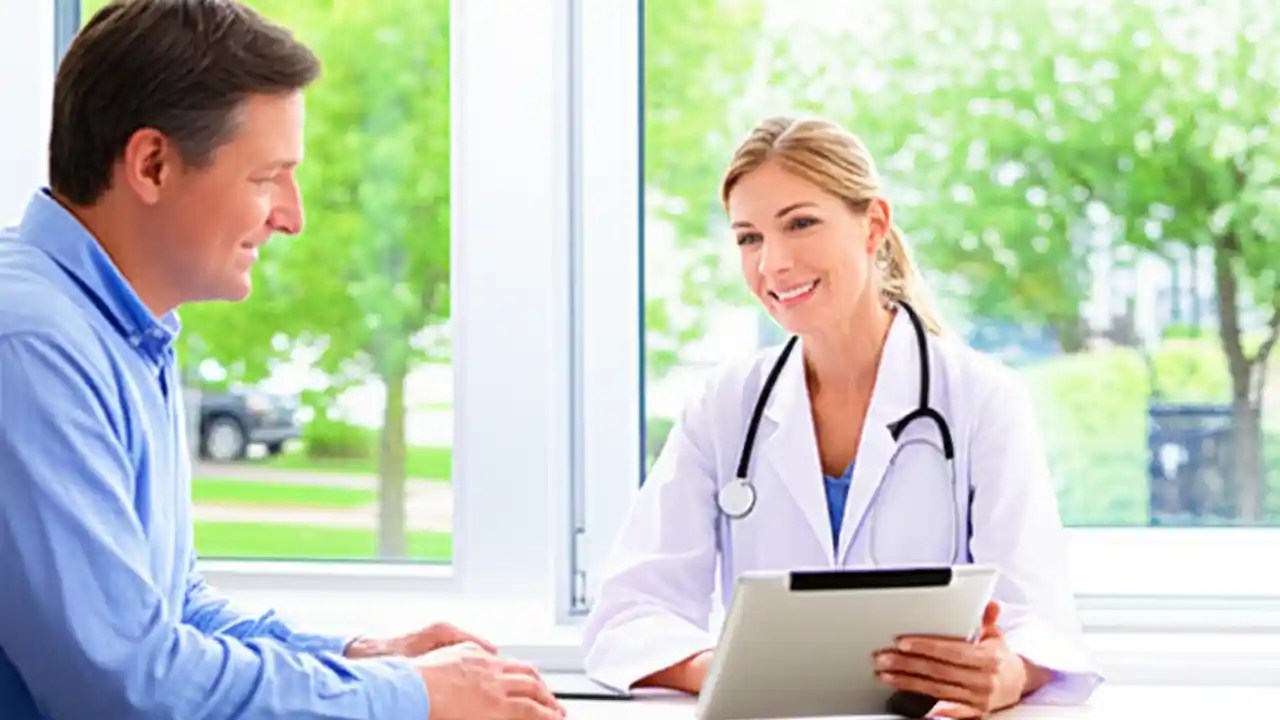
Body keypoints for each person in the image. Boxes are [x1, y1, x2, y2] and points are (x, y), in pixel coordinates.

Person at [0, 2, 563, 718]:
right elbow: (126, 686)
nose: (291, 216)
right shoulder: (30, 347)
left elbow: (172, 613)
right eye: (266, 177)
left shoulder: (123, 329)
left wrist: (362, 658)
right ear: (152, 164)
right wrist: (410, 696)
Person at [581, 116, 1103, 718]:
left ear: (872, 225)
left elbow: (1038, 620)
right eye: (748, 237)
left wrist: (1006, 673)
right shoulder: (725, 406)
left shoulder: (982, 399)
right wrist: (742, 673)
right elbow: (629, 615)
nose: (773, 263)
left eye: (800, 223)